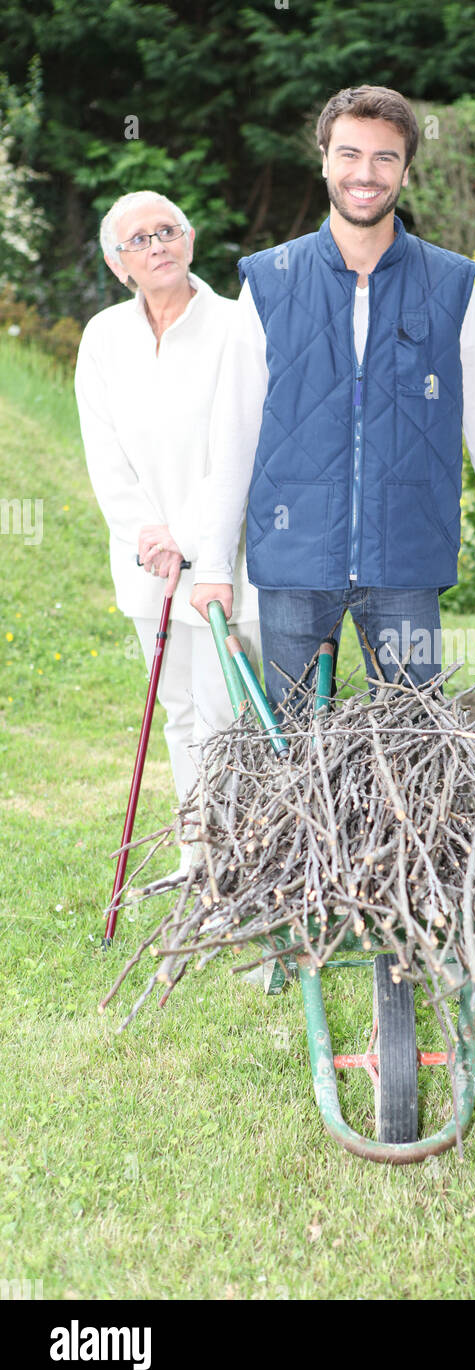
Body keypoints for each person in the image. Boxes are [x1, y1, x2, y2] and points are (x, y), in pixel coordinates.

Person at [190, 86, 475, 706]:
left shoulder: (450, 285)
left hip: (407, 561)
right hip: (294, 559)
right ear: (324, 159)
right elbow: (235, 433)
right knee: (297, 754)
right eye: (349, 154)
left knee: (412, 749)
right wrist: (214, 564)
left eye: (385, 158)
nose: (365, 173)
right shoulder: (270, 281)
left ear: (406, 171)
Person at [74, 190, 260, 867]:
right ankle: (196, 857)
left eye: (167, 231)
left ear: (190, 238)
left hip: (220, 561)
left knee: (223, 717)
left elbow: (239, 446)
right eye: (139, 239)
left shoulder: (239, 326)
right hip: (146, 562)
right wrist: (146, 534)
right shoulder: (103, 338)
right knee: (179, 713)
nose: (156, 246)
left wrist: (183, 531)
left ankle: (238, 861)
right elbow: (105, 456)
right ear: (116, 262)